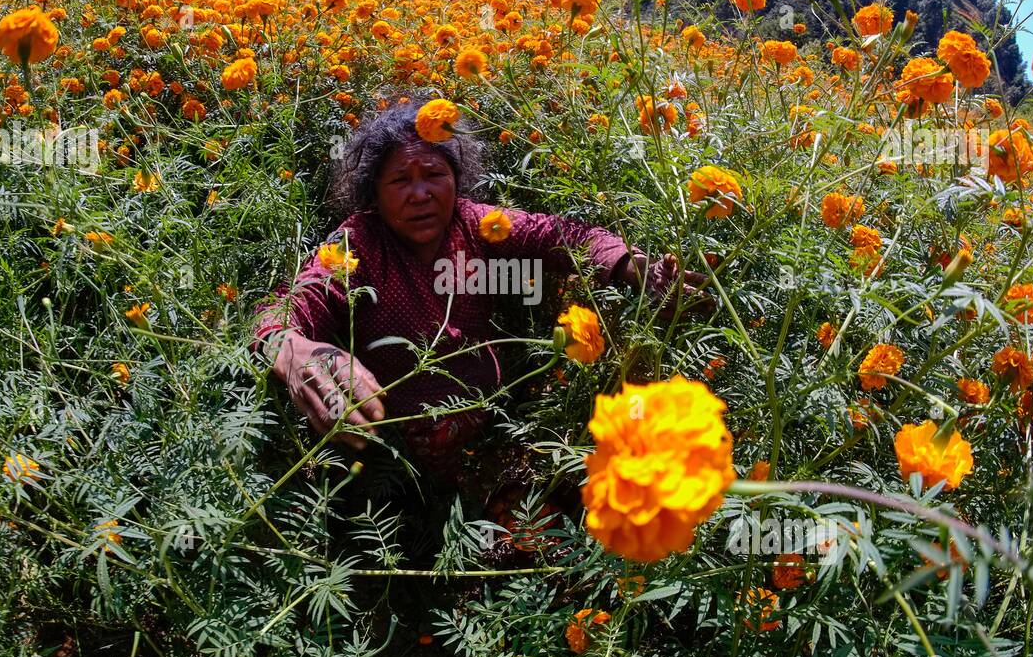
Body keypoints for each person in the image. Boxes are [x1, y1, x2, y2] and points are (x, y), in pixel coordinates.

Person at [250, 98, 708, 490]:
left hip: (491, 439)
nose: (420, 193)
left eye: (433, 173)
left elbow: (558, 235)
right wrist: (293, 350)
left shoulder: (478, 224)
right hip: (390, 466)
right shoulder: (356, 245)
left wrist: (627, 264)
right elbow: (286, 310)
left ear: (456, 176)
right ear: (373, 192)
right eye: (399, 181)